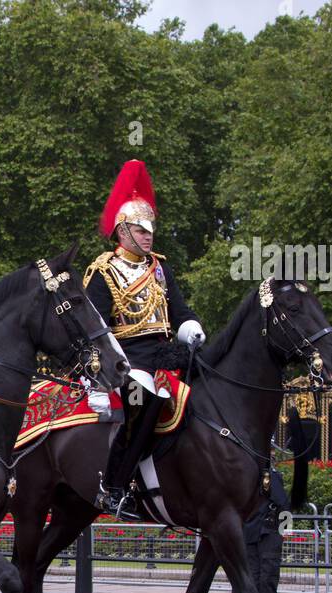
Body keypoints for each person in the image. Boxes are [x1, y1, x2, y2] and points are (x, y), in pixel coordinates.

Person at [85, 160, 205, 519]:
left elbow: (179, 312)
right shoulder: (104, 270)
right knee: (146, 401)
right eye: (141, 228)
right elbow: (95, 326)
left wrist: (193, 329)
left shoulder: (160, 269)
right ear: (123, 231)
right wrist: (100, 372)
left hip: (166, 352)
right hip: (127, 358)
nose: (149, 234)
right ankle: (117, 487)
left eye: (151, 228)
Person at [239, 468, 289, 593]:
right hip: (268, 530)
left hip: (251, 530)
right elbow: (284, 503)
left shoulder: (244, 474)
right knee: (267, 573)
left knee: (255, 573)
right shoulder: (270, 475)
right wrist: (284, 530)